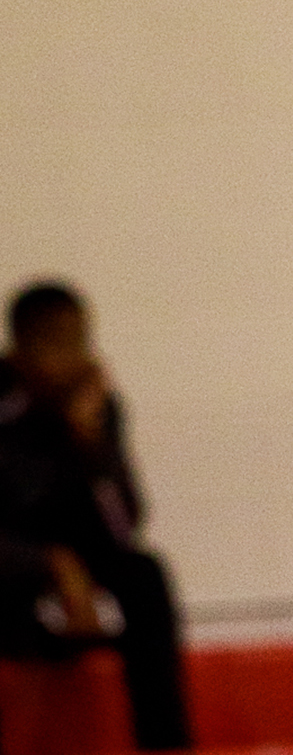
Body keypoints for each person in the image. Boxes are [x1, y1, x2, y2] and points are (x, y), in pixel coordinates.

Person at [0, 281, 192, 751]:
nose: (74, 358)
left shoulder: (96, 406)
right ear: (19, 353)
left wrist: (92, 446)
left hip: (86, 555)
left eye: (80, 342)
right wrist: (51, 565)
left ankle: (165, 744)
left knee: (145, 576)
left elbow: (126, 525)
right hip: (12, 557)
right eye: (55, 344)